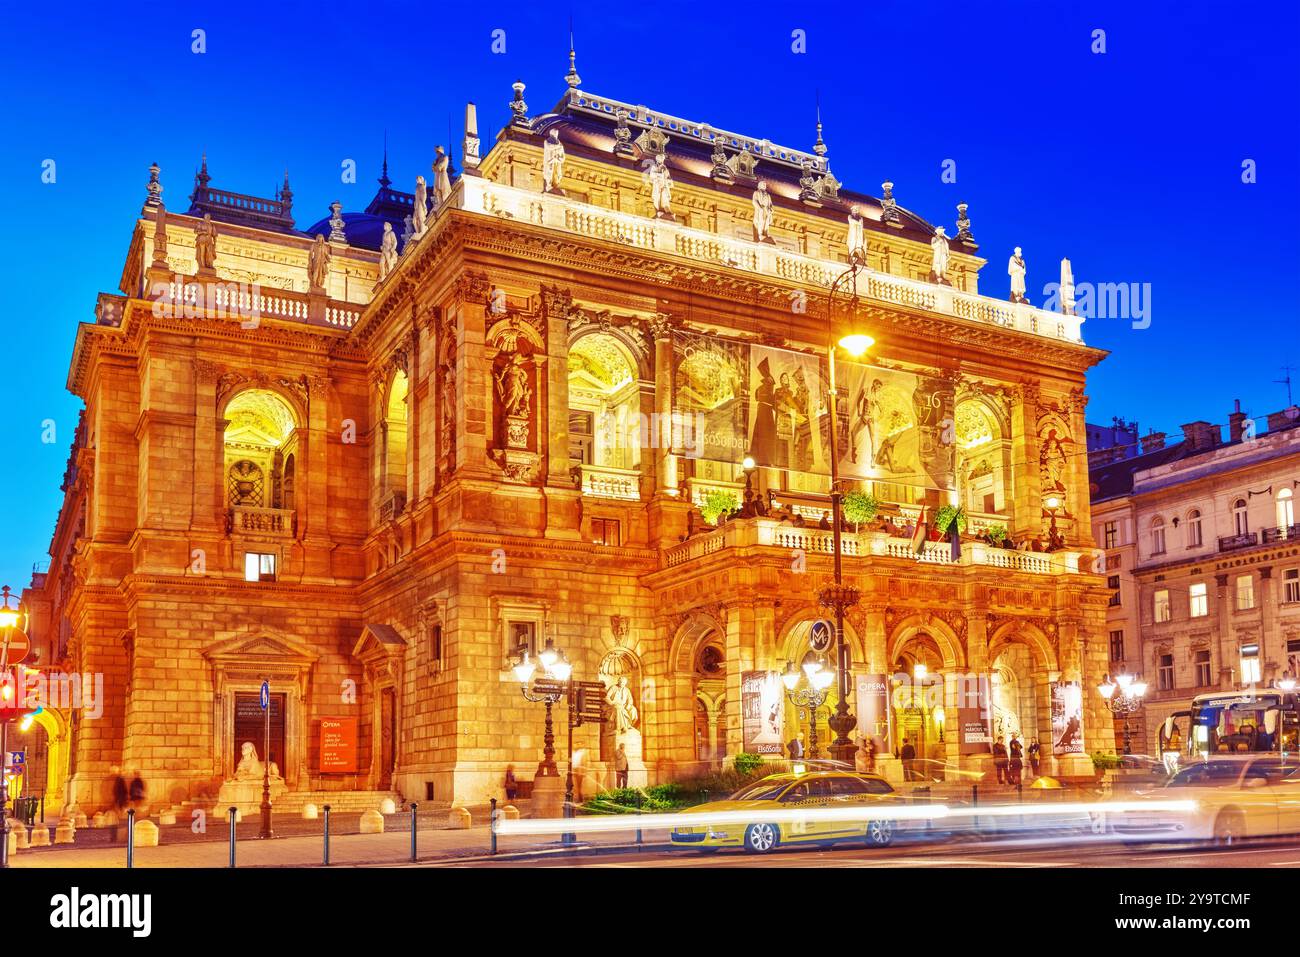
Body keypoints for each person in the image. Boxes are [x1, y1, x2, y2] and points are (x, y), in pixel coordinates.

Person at [109, 768, 128, 842]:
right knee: (117, 820)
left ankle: (118, 837)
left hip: (119, 801)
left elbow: (122, 791)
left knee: (119, 820)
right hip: (119, 801)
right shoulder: (119, 779)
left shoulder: (120, 780)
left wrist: (119, 802)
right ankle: (116, 836)